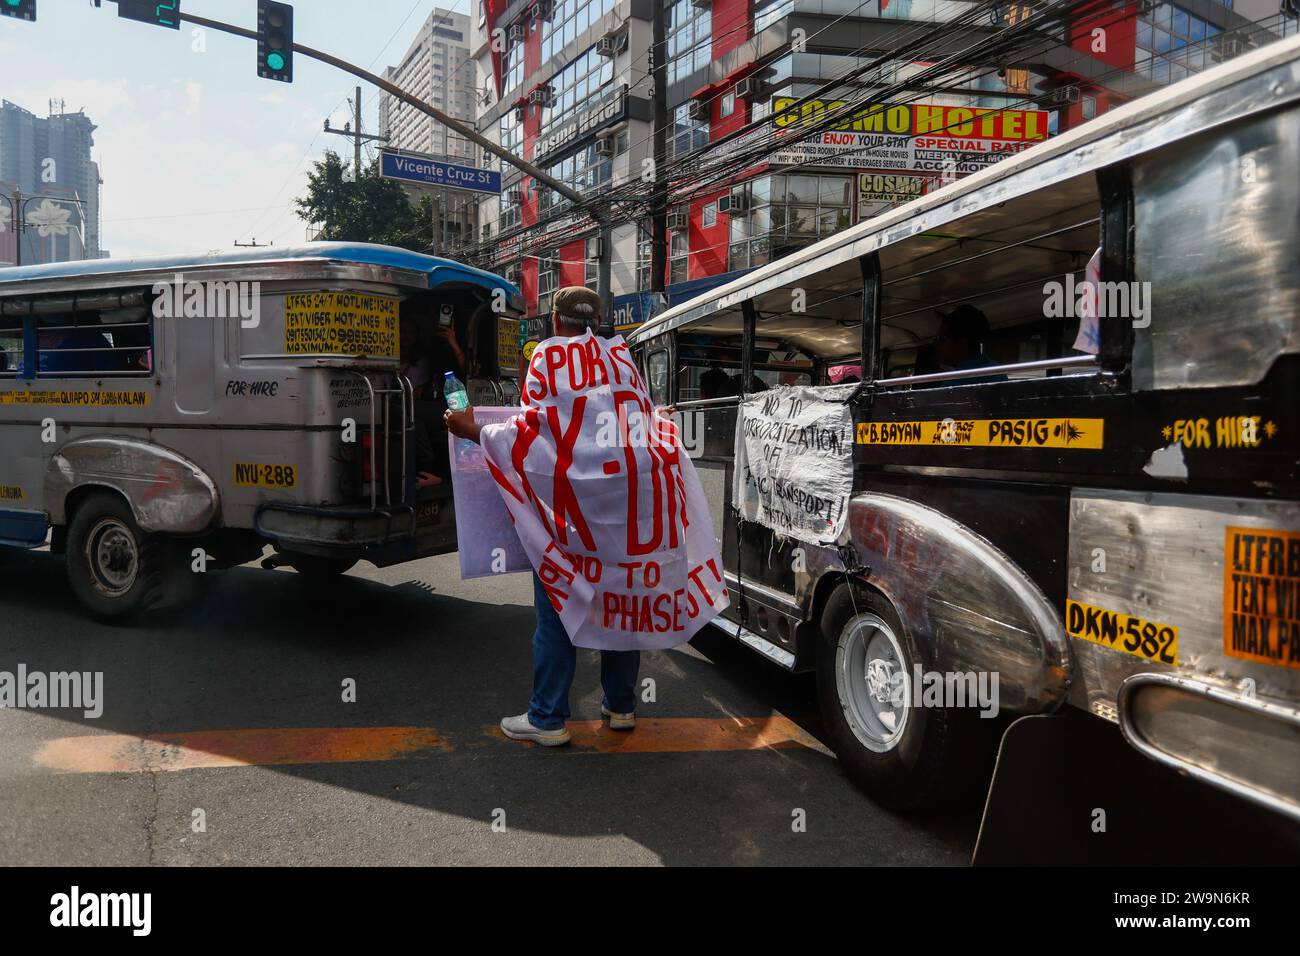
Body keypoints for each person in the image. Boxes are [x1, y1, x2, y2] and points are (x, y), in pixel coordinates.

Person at [445, 287, 639, 747]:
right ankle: (622, 704)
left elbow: (536, 432)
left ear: (555, 322)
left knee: (557, 608)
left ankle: (547, 718)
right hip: (620, 510)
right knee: (620, 604)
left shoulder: (550, 361)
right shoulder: (622, 361)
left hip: (568, 514)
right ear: (597, 321)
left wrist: (473, 429)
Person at [927, 304, 1007, 385]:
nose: (936, 345)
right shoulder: (997, 370)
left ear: (962, 342)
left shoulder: (954, 382)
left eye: (941, 339)